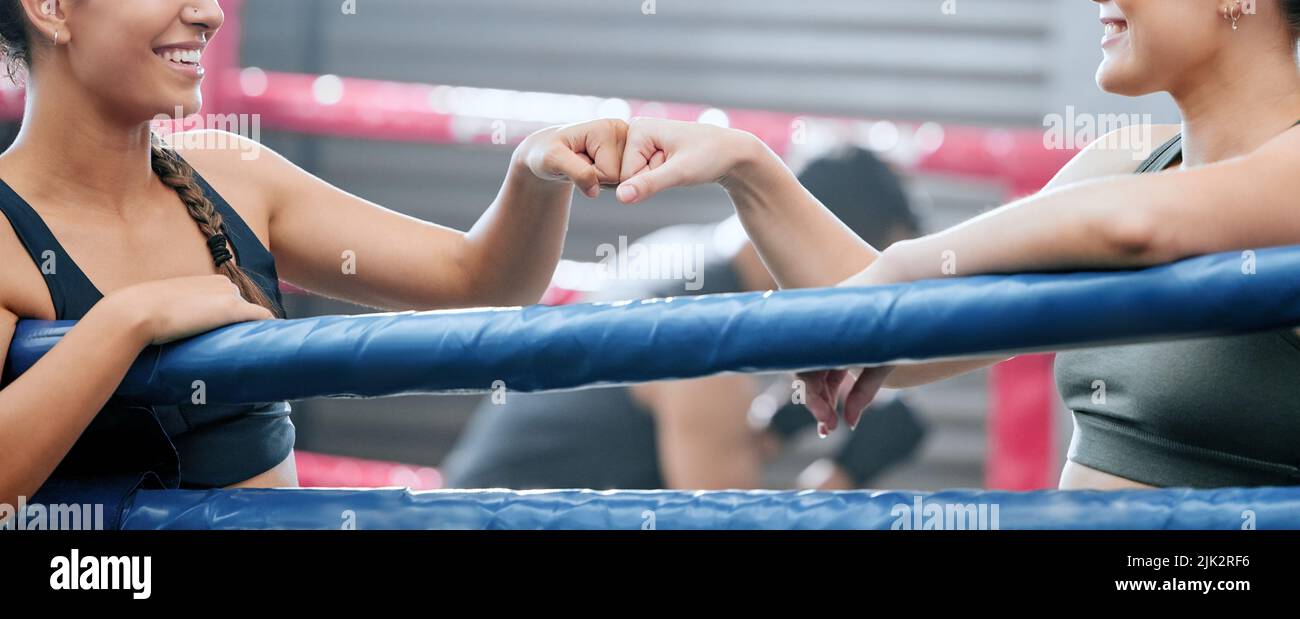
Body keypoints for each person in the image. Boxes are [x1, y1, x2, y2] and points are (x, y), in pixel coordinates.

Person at [606, 0, 1300, 489]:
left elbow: (1138, 226)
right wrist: (748, 169)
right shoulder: (1125, 163)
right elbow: (902, 332)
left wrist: (902, 267)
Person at [0, 0, 631, 508]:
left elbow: (483, 280)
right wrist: (127, 321)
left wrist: (534, 173)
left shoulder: (234, 175)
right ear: (51, 8)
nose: (210, 13)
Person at [442, 148, 925, 490]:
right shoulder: (708, 328)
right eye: (863, 277)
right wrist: (846, 476)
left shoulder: (683, 254)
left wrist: (778, 428)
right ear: (822, 247)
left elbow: (642, 434)